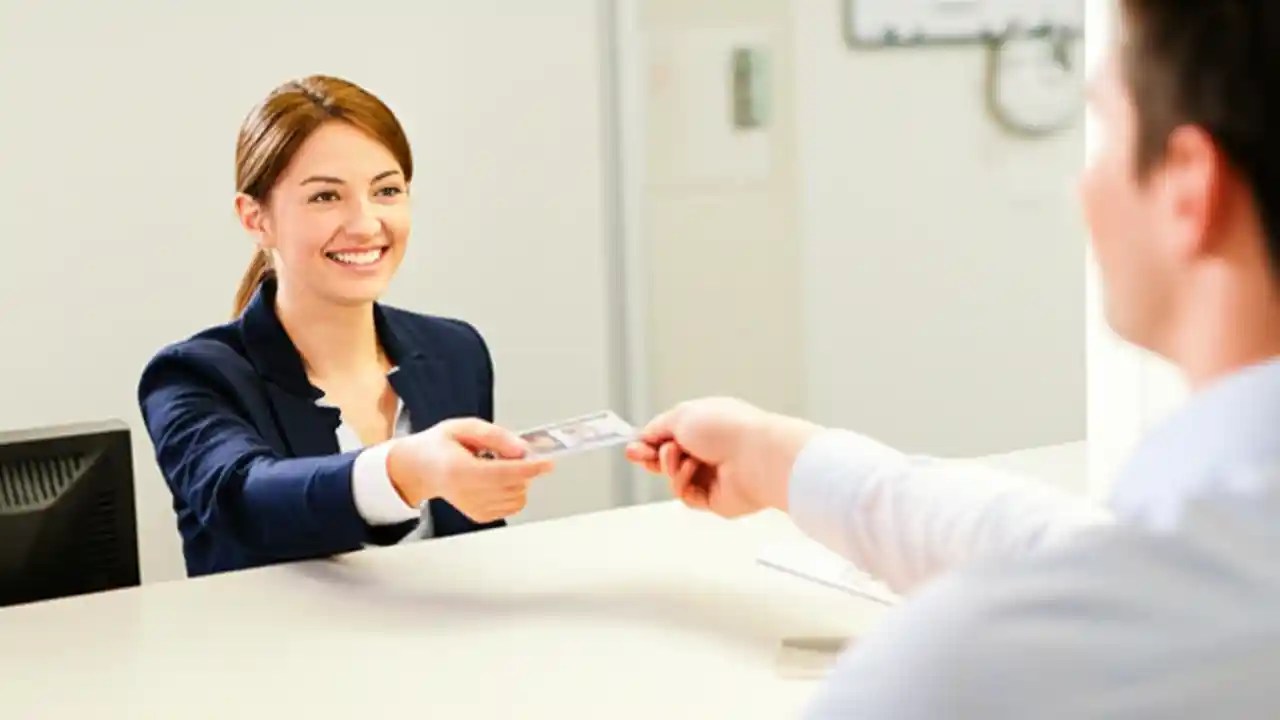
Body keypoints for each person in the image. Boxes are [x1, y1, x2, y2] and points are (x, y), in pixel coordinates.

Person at [627, 2, 1280, 717]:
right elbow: (1078, 547)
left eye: (1102, 133)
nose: (1082, 190)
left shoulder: (970, 677)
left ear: (1189, 185)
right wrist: (780, 458)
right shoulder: (1217, 566)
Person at [138, 75, 553, 578]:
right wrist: (407, 470)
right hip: (278, 654)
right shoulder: (191, 375)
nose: (365, 223)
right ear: (255, 218)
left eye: (387, 190)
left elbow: (475, 558)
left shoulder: (455, 351)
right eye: (324, 198)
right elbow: (243, 498)